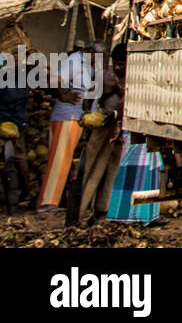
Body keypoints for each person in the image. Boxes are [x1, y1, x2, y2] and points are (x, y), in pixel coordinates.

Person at [37, 43, 93, 212]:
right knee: (59, 159)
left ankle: (55, 200)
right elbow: (54, 80)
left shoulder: (84, 63)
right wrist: (63, 95)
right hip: (67, 116)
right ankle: (47, 202)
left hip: (75, 116)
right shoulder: (75, 61)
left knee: (65, 159)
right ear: (87, 51)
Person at [77, 43, 125, 224]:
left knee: (111, 169)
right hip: (103, 125)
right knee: (91, 166)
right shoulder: (105, 76)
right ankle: (80, 210)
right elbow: (88, 99)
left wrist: (119, 124)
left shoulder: (131, 75)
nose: (119, 67)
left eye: (123, 63)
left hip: (118, 128)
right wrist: (87, 117)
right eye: (117, 64)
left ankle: (101, 211)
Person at [0, 54, 33, 206]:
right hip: (20, 124)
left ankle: (10, 195)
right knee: (20, 157)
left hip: (5, 124)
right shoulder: (21, 81)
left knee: (8, 159)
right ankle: (26, 192)